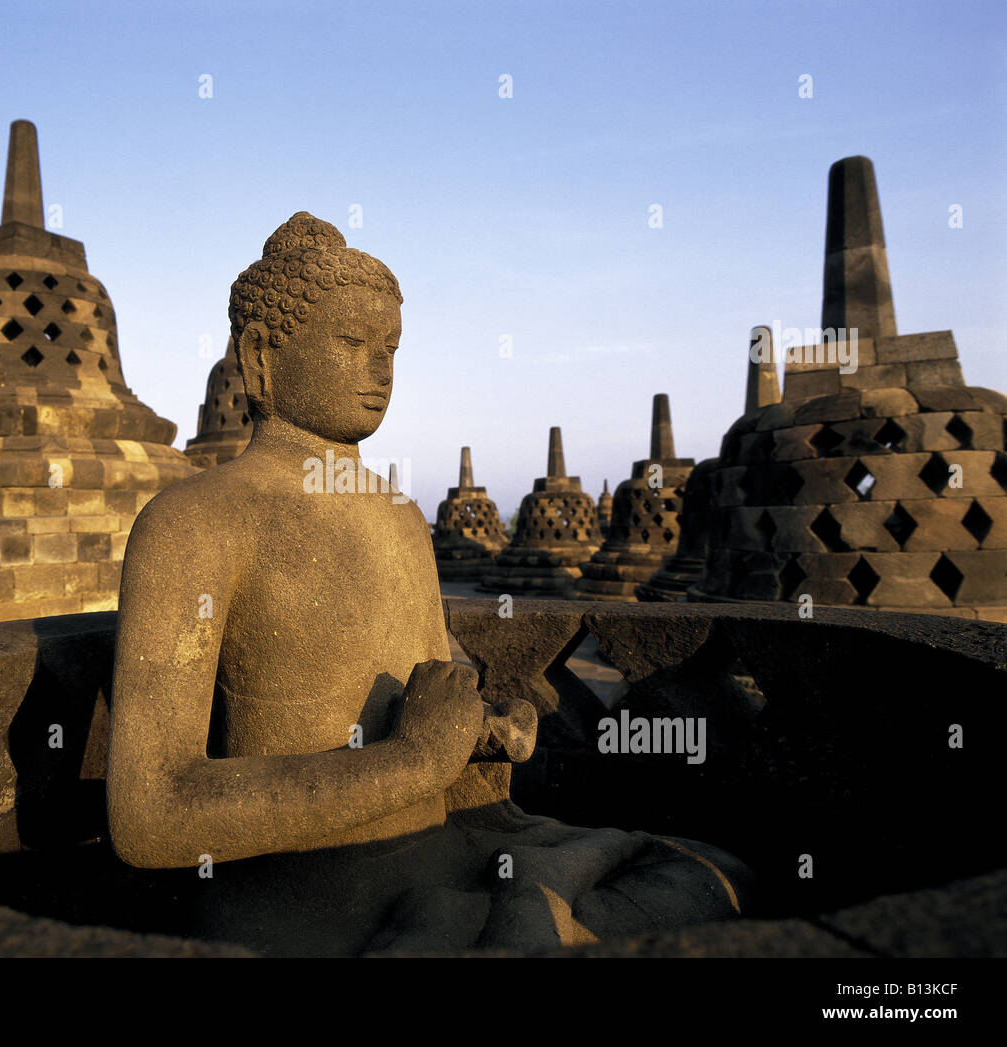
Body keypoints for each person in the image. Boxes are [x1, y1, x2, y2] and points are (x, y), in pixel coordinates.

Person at [107, 212, 750, 955]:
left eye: (391, 349)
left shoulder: (403, 518)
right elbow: (149, 811)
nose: (379, 369)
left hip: (450, 851)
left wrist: (481, 728)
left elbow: (431, 696)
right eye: (351, 344)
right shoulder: (193, 524)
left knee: (713, 874)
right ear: (261, 356)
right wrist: (409, 763)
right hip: (313, 897)